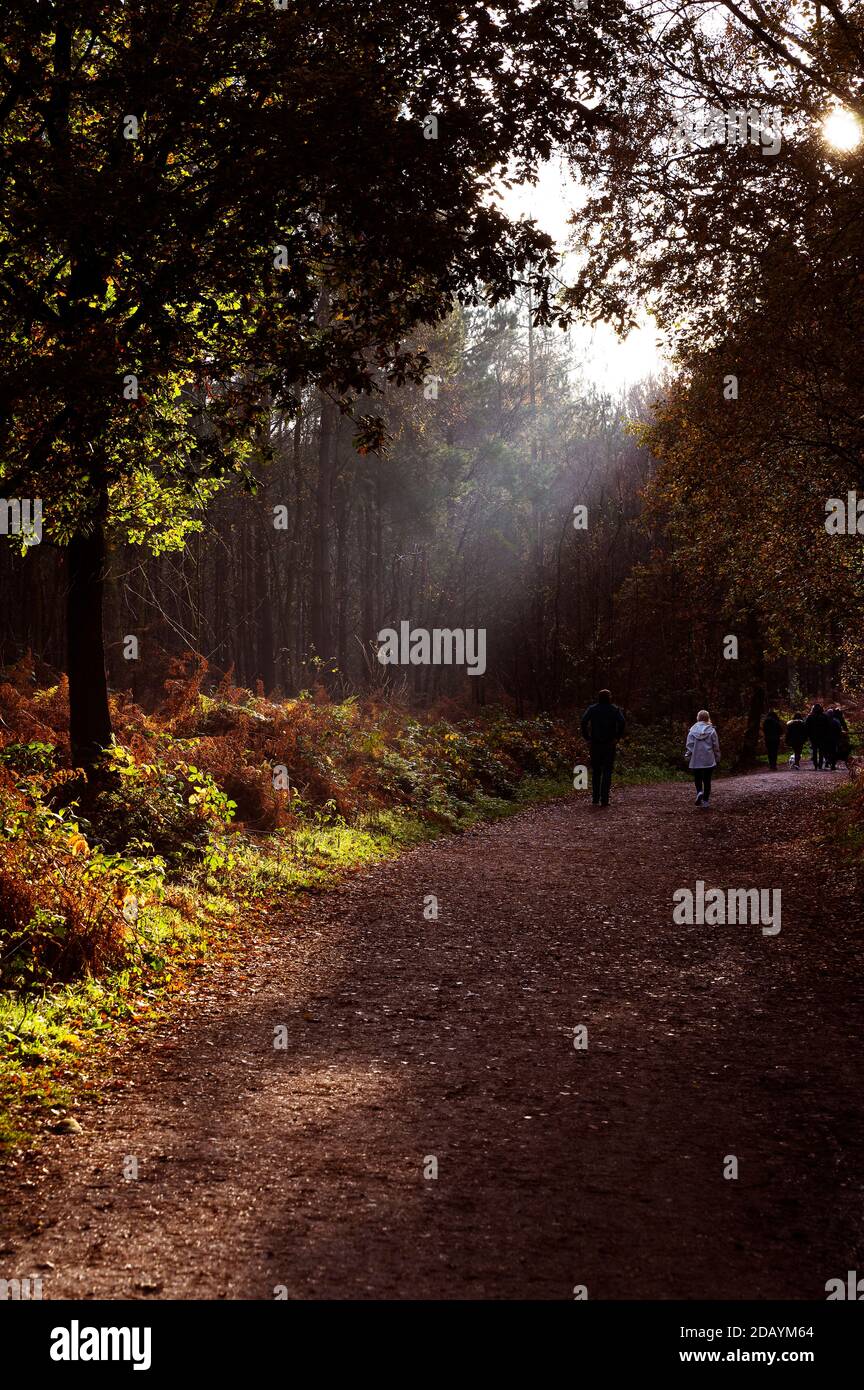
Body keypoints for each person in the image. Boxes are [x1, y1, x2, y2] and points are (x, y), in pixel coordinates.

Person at [580, 688, 625, 807]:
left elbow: (583, 721)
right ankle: (604, 799)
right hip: (609, 744)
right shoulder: (614, 709)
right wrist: (617, 737)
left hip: (595, 744)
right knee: (607, 771)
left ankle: (595, 798)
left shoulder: (592, 709)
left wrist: (587, 737)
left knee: (596, 771)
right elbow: (622, 722)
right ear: (609, 698)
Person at [685, 709, 720, 807]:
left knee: (697, 778)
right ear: (708, 718)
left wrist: (688, 754)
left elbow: (689, 745)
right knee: (707, 780)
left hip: (696, 759)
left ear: (698, 718)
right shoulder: (712, 730)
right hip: (709, 759)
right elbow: (715, 746)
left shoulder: (692, 731)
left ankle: (699, 792)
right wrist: (717, 757)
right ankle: (705, 801)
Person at [805, 702, 827, 770]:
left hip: (813, 736)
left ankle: (815, 765)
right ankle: (820, 765)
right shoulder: (824, 716)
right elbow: (827, 727)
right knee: (821, 751)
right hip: (822, 736)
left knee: (814, 750)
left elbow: (807, 727)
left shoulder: (810, 717)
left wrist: (808, 735)